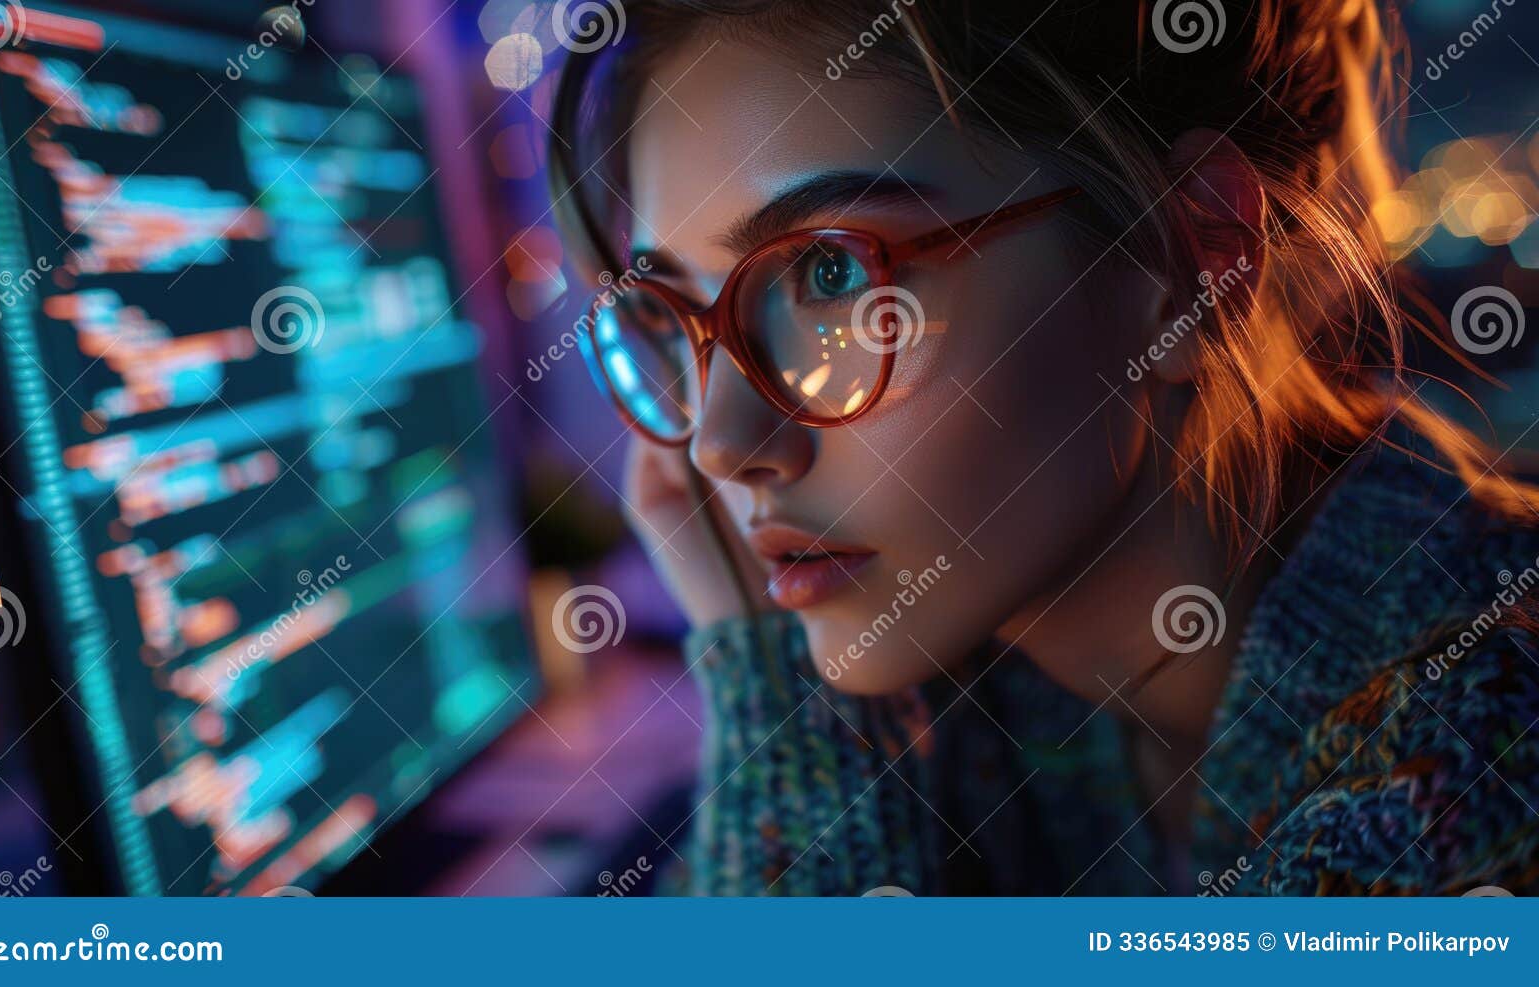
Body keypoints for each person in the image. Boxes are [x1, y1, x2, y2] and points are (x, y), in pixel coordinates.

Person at [547, 0, 1539, 895]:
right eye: (672, 315)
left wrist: (784, 704)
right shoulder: (982, 699)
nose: (721, 443)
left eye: (830, 274)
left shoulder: (1483, 768)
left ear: (1198, 250)